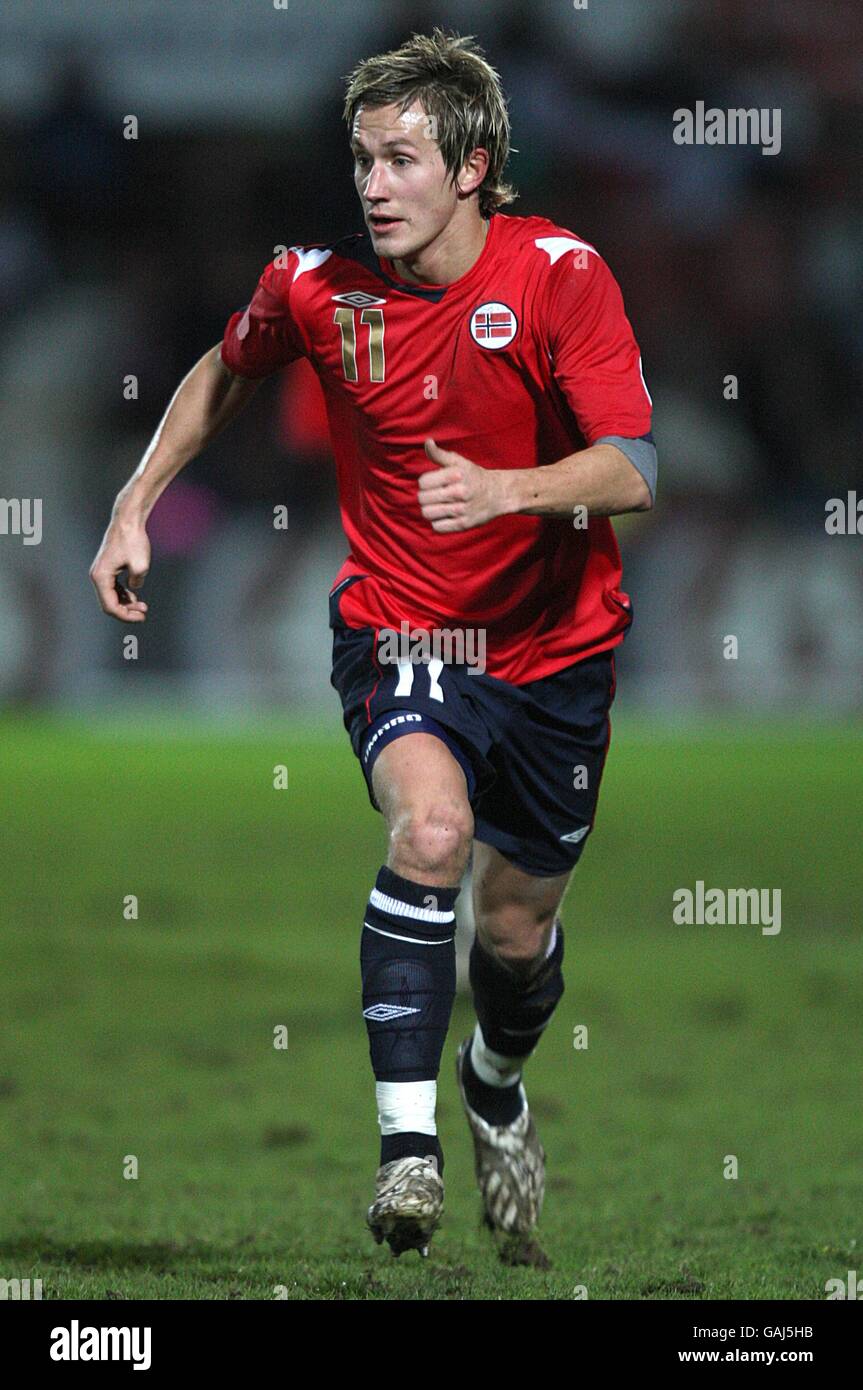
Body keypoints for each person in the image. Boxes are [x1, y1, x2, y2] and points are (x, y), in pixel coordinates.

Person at [90, 27, 656, 1265]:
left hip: (557, 652)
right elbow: (222, 369)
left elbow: (632, 467)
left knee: (513, 936)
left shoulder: (560, 274)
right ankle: (407, 1152)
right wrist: (136, 501)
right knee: (431, 833)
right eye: (361, 159)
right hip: (403, 627)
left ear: (472, 165)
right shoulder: (313, 285)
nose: (374, 185)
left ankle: (494, 1082)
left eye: (400, 159)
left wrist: (509, 492)